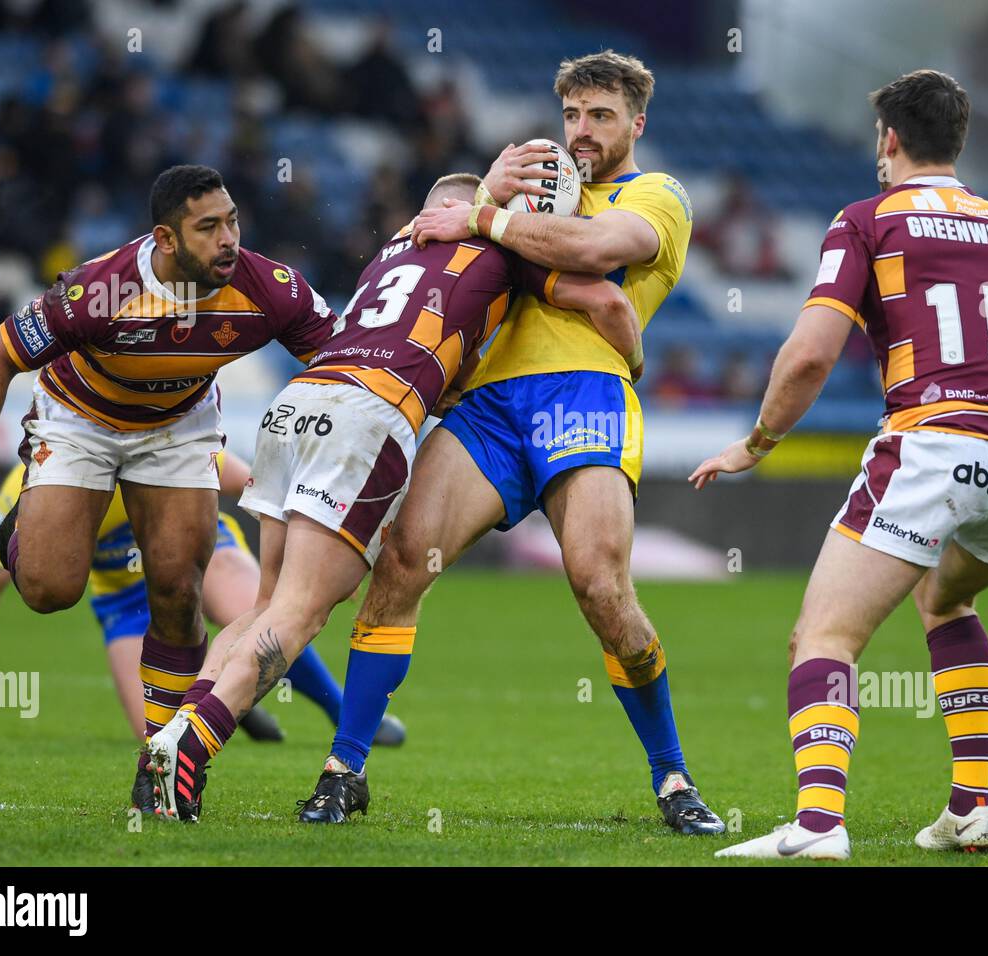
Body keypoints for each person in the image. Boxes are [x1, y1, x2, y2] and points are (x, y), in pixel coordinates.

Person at [144, 173, 644, 823]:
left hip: (297, 402)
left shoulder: (394, 251)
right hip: (366, 417)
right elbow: (606, 303)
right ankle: (193, 745)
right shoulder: (500, 250)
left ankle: (167, 738)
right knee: (299, 613)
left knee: (266, 603)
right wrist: (632, 367)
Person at [691, 70, 988, 860]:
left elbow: (810, 355)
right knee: (946, 606)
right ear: (959, 139)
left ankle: (817, 826)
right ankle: (971, 808)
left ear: (888, 139)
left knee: (824, 636)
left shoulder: (865, 222)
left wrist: (756, 443)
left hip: (932, 446)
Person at [381, 50, 725, 836]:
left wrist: (487, 217)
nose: (582, 132)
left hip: (584, 394)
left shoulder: (657, 194)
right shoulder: (529, 191)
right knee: (404, 560)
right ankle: (344, 768)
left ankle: (672, 776)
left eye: (601, 116)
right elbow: (428, 241)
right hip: (487, 403)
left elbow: (598, 253)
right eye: (571, 115)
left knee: (601, 586)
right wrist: (482, 196)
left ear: (637, 123)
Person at [0, 165, 338, 806]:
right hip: (81, 420)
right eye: (208, 227)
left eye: (232, 221)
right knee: (47, 588)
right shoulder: (100, 290)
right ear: (166, 239)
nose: (229, 239)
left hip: (178, 427)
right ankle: (25, 532)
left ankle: (163, 768)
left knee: (179, 588)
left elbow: (340, 356)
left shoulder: (269, 288)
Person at [0, 453, 407, 777]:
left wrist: (316, 564)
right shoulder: (33, 492)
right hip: (124, 601)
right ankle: (223, 695)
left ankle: (336, 706)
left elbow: (261, 491)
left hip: (197, 562)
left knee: (257, 612)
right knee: (152, 734)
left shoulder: (161, 445)